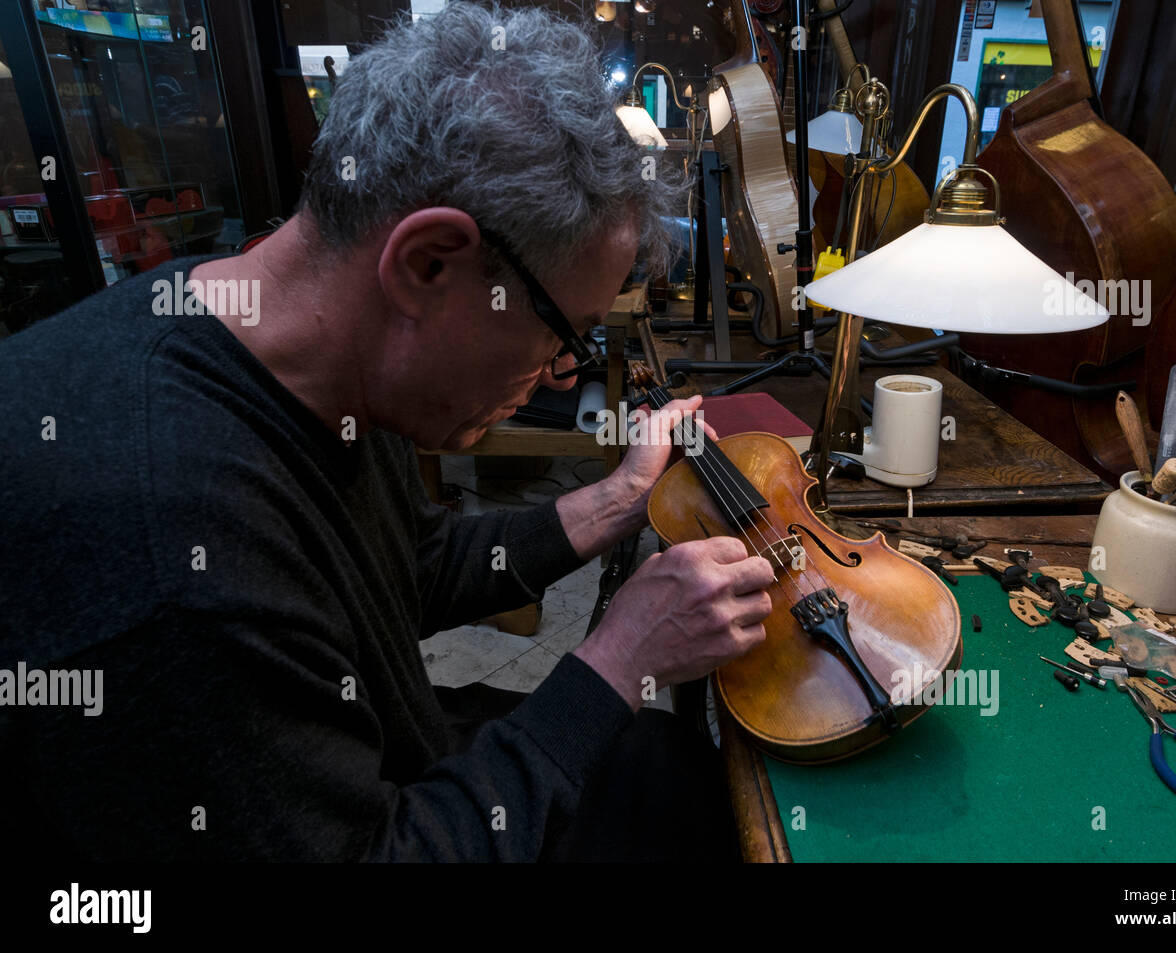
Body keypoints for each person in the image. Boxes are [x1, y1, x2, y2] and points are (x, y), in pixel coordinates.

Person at [0, 3, 774, 861]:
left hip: (380, 756)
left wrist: (621, 498)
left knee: (667, 768)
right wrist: (620, 655)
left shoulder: (274, 329)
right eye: (565, 329)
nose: (564, 367)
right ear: (428, 263)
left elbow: (413, 563)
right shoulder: (171, 552)